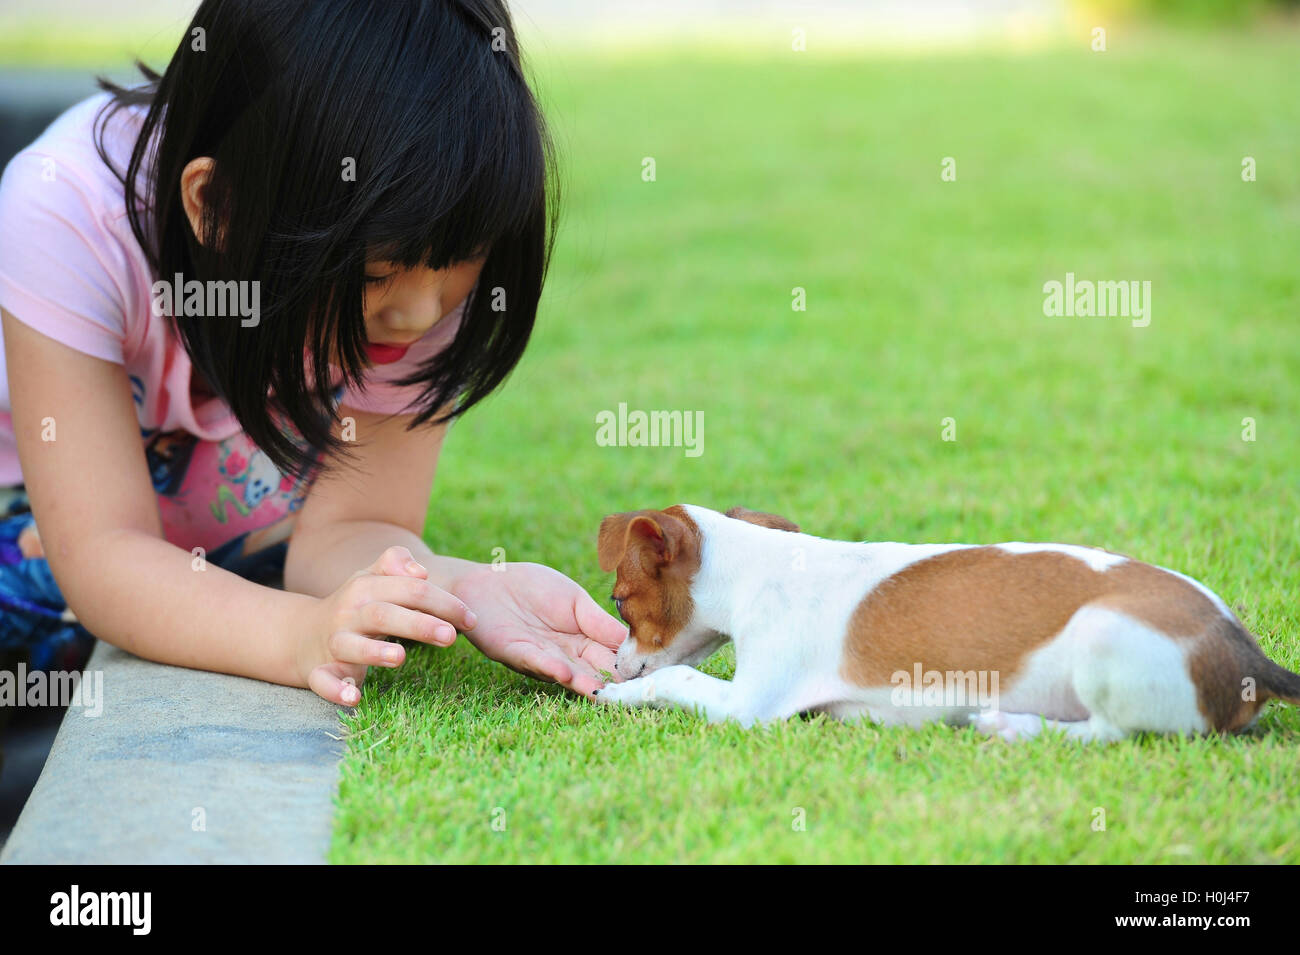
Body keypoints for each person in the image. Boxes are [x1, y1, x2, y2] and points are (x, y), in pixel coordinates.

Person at [0, 0, 626, 706]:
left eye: (461, 260)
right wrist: (297, 635)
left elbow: (349, 529)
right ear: (217, 207)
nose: (419, 314)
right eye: (374, 274)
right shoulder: (68, 214)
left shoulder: (431, 239)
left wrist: (460, 587)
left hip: (220, 521)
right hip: (35, 519)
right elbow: (103, 552)